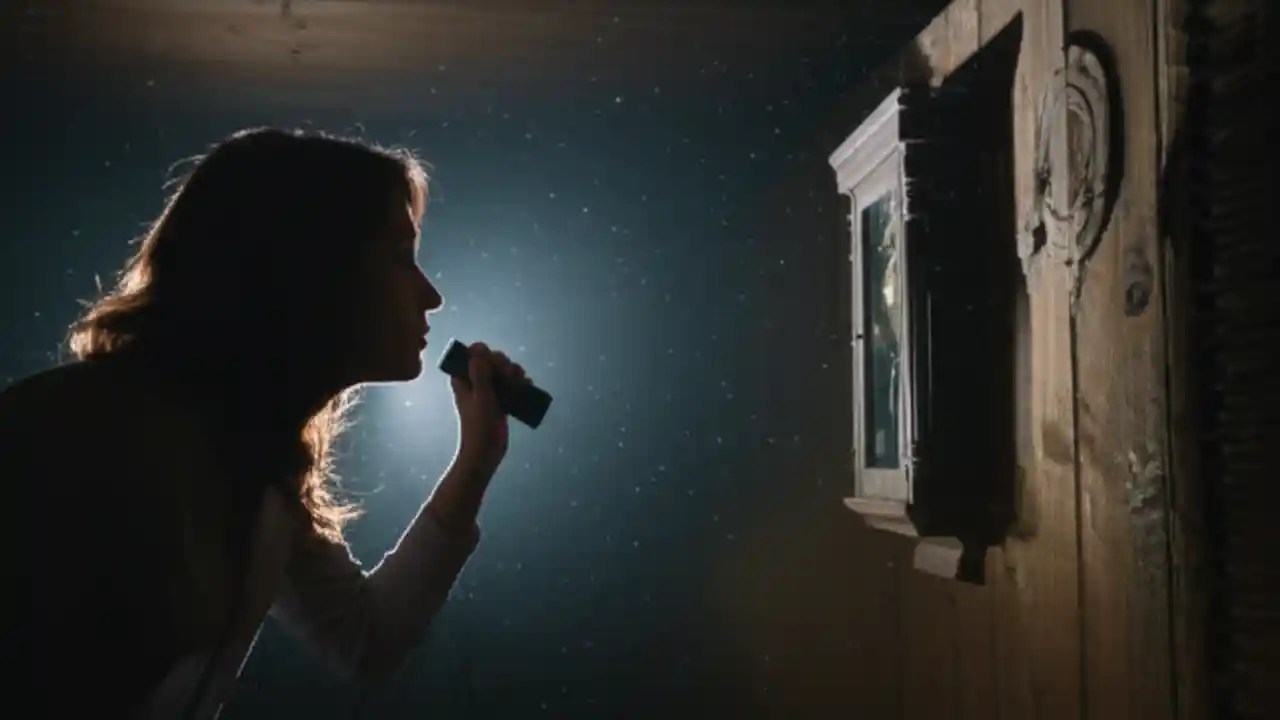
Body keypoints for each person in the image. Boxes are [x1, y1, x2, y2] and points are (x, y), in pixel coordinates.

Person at [1, 126, 532, 717]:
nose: (431, 296)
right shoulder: (78, 438)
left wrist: (476, 461)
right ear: (311, 267)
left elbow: (362, 641)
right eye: (400, 257)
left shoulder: (260, 466)